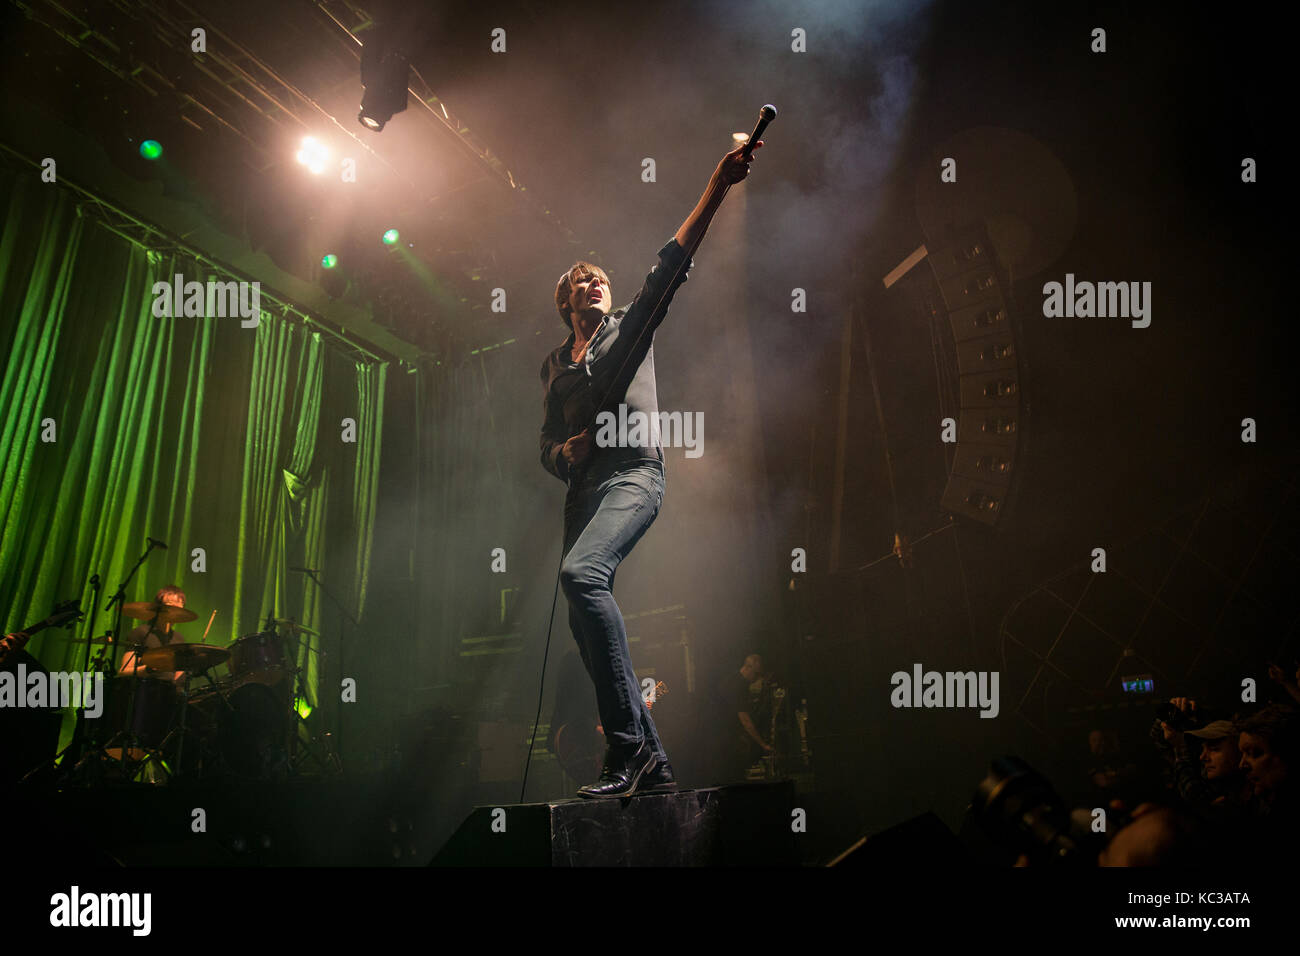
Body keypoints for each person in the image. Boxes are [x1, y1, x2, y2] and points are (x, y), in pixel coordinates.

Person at [540, 140, 763, 797]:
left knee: (582, 573)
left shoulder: (630, 326)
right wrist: (562, 455)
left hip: (636, 474)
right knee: (583, 626)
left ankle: (628, 750)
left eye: (599, 276)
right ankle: (658, 765)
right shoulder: (554, 366)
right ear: (565, 302)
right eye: (582, 280)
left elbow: (672, 262)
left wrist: (719, 183)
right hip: (584, 492)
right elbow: (543, 440)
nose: (594, 282)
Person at [118, 585, 188, 684]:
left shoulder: (179, 638)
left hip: (168, 693)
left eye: (180, 606)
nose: (175, 610)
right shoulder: (141, 633)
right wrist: (147, 669)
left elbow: (177, 675)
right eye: (170, 605)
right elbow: (123, 671)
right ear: (158, 608)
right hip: (144, 690)